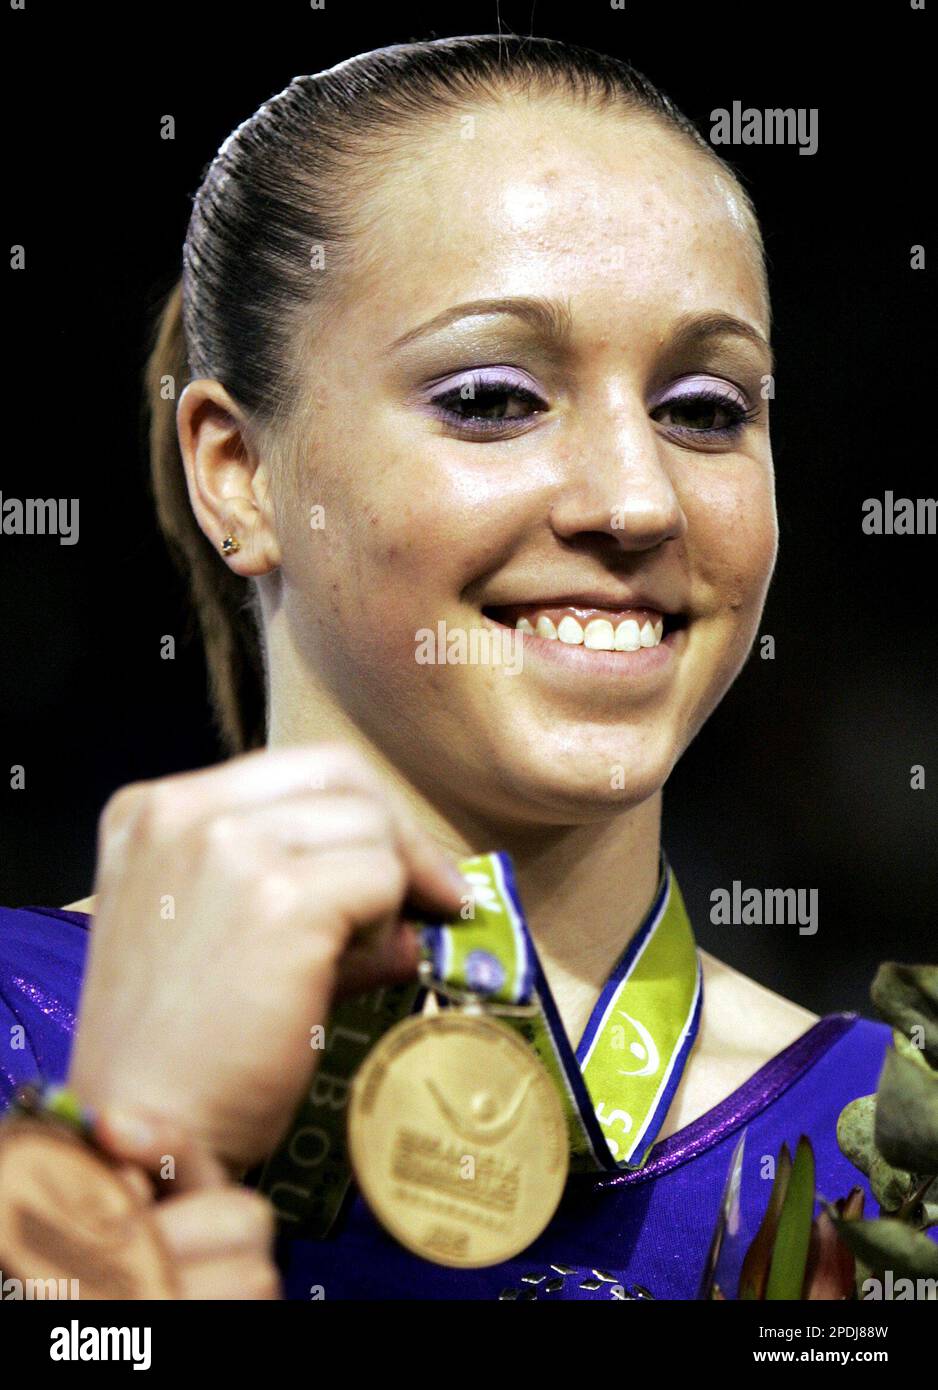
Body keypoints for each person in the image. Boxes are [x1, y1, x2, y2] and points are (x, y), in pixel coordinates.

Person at [0, 34, 908, 1300]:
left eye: (704, 407)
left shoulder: (894, 1159)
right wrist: (120, 1168)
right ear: (236, 471)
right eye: (491, 397)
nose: (635, 500)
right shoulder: (22, 1032)